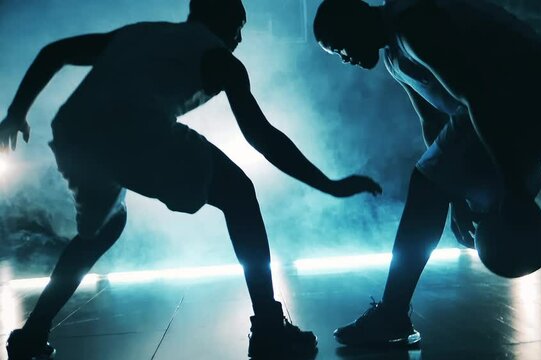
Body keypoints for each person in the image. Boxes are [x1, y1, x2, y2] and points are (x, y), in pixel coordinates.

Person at [0, 0, 383, 358]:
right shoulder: (221, 60)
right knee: (239, 193)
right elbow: (264, 138)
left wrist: (16, 113)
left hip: (75, 133)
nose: (241, 38)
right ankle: (268, 326)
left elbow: (55, 52)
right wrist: (330, 185)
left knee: (102, 230)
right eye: (239, 26)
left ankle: (31, 333)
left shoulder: (139, 33)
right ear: (224, 21)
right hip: (136, 132)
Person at [313, 0, 541, 347]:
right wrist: (460, 196)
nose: (345, 58)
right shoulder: (393, 57)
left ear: (354, 19)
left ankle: (392, 315)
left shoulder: (413, 24)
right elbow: (433, 120)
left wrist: (511, 188)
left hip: (529, 86)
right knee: (492, 206)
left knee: (435, 186)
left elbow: (477, 94)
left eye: (339, 45)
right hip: (528, 89)